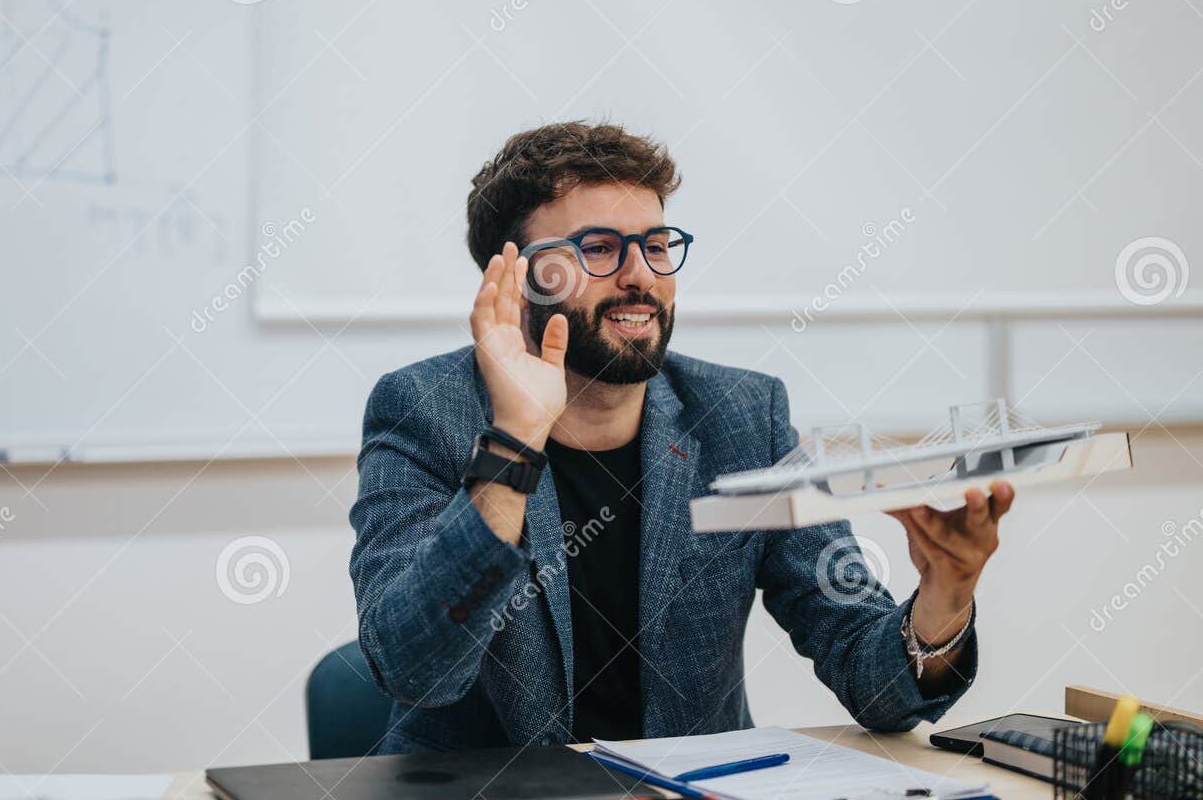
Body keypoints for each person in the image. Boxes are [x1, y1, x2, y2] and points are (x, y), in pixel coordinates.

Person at [348, 121, 1013, 753]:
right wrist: (516, 439)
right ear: (517, 279)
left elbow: (878, 689)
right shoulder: (426, 411)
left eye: (656, 246)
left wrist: (943, 599)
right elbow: (416, 667)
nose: (640, 275)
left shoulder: (742, 418)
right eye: (600, 248)